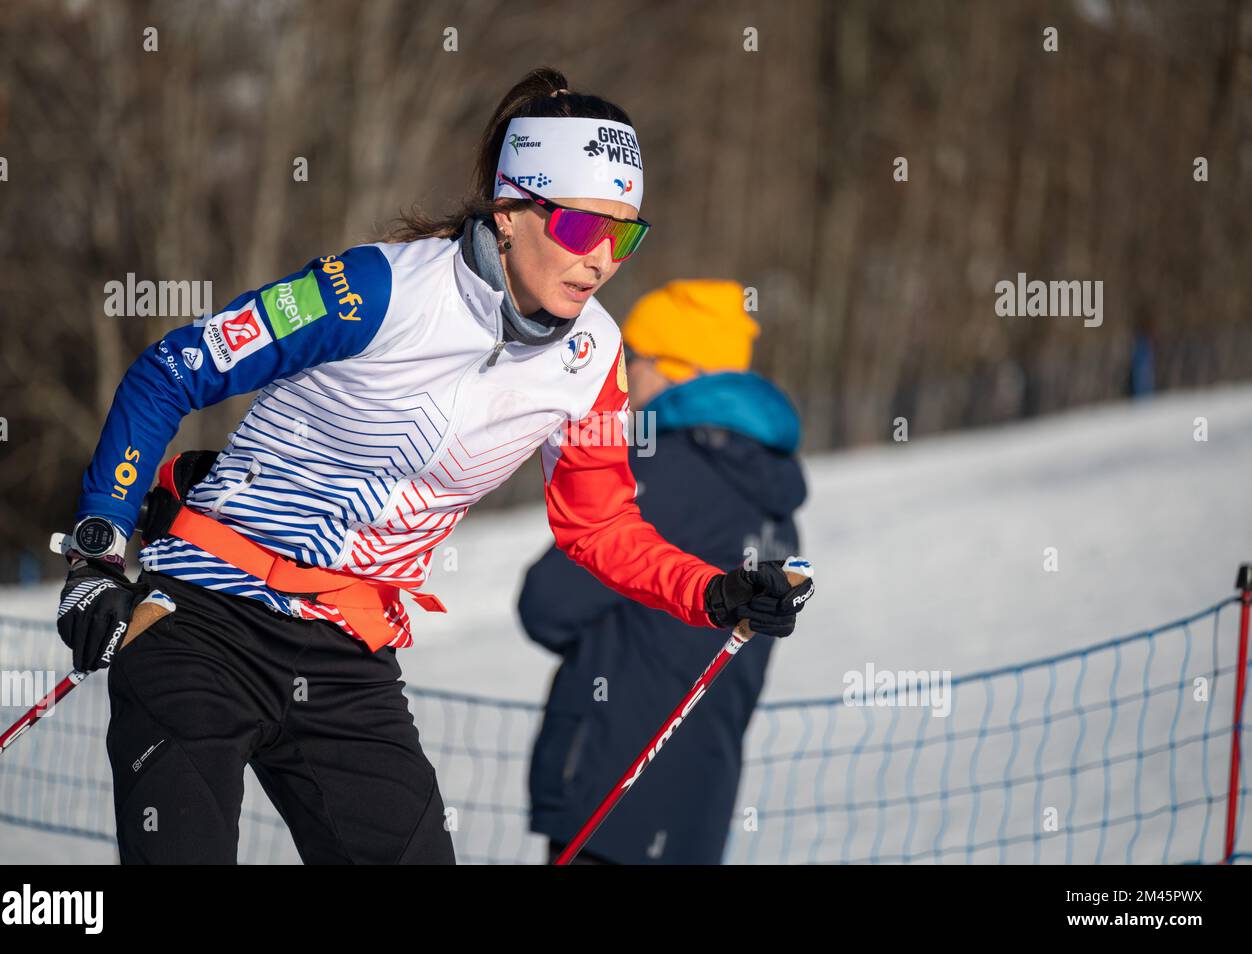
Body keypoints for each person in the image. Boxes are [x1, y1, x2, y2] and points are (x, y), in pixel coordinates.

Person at [54, 67, 815, 865]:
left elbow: (599, 524)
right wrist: (99, 553)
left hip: (346, 649)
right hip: (204, 617)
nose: (602, 261)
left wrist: (711, 590)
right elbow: (174, 369)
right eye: (584, 228)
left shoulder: (593, 357)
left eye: (625, 235)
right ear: (513, 210)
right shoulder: (377, 290)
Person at [519, 280, 808, 864]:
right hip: (699, 807)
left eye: (635, 360)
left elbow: (547, 605)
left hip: (611, 790)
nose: (624, 377)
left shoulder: (662, 467)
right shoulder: (772, 493)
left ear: (676, 369)